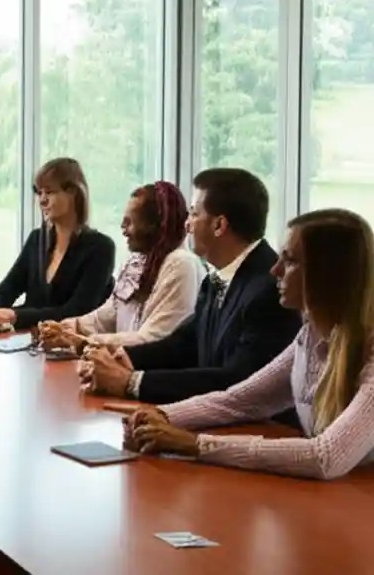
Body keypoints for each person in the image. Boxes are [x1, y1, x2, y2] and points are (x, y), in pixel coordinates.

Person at [121, 209, 374, 480]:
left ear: (328, 275)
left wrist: (194, 444)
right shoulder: (309, 337)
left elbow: (324, 457)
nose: (274, 270)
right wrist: (160, 416)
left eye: (289, 261)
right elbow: (241, 401)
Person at [80, 168, 301, 404]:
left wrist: (132, 382)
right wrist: (122, 358)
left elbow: (238, 381)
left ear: (219, 225)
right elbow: (186, 343)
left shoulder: (268, 288)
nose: (187, 225)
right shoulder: (215, 278)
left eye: (194, 214)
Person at [37, 181, 202, 351]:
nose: (123, 229)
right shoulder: (137, 260)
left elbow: (154, 338)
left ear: (154, 226)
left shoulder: (181, 264)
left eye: (130, 222)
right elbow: (109, 314)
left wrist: (84, 342)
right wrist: (68, 327)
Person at [0, 158, 115, 329]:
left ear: (73, 192)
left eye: (49, 192)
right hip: (26, 342)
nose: (42, 200)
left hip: (70, 347)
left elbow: (76, 311)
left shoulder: (101, 248)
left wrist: (13, 315)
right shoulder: (36, 239)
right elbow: (7, 290)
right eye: (39, 193)